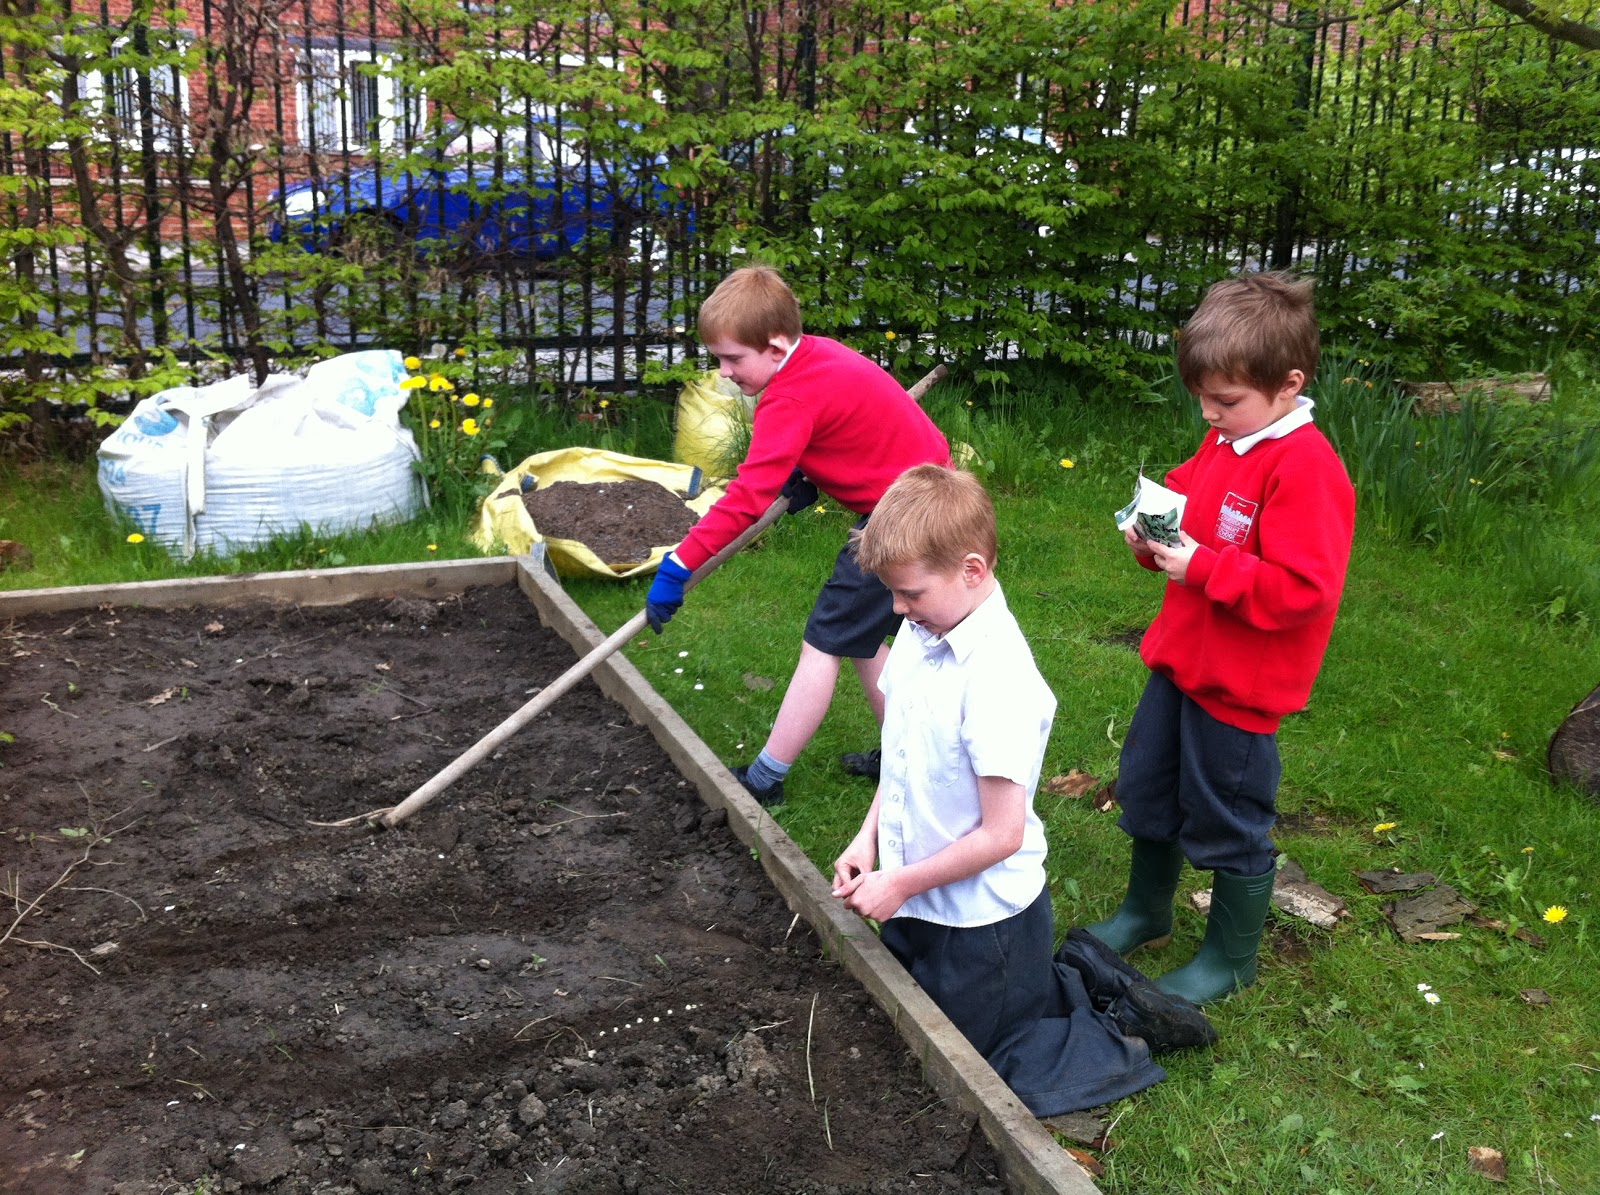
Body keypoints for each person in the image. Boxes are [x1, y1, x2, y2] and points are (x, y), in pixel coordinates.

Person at [832, 464, 1214, 1117]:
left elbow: (1001, 833)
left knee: (982, 1068)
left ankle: (1120, 1021)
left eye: (910, 592)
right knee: (907, 1022)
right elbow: (900, 759)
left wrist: (899, 883)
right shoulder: (926, 631)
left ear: (972, 571)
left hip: (985, 923)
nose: (897, 608)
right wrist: (866, 840)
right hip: (921, 898)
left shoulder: (998, 680)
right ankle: (1063, 979)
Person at [1088, 271, 1356, 1006]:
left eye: (1225, 400)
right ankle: (1146, 911)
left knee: (1227, 813)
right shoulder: (1228, 440)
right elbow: (1184, 497)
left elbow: (1304, 590)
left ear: (1288, 383)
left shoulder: (1307, 470)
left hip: (1239, 689)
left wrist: (1204, 566)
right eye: (1201, 398)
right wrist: (1150, 531)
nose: (1209, 414)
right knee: (1147, 785)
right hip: (1180, 664)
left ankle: (1231, 957)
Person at [646, 265, 951, 806]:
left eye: (734, 358)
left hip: (902, 517)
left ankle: (767, 779)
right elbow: (848, 426)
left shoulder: (788, 398)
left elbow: (746, 498)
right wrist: (806, 469)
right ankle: (905, 755)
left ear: (776, 344)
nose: (723, 373)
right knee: (859, 640)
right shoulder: (816, 354)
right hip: (927, 492)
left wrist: (679, 565)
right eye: (717, 358)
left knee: (823, 643)